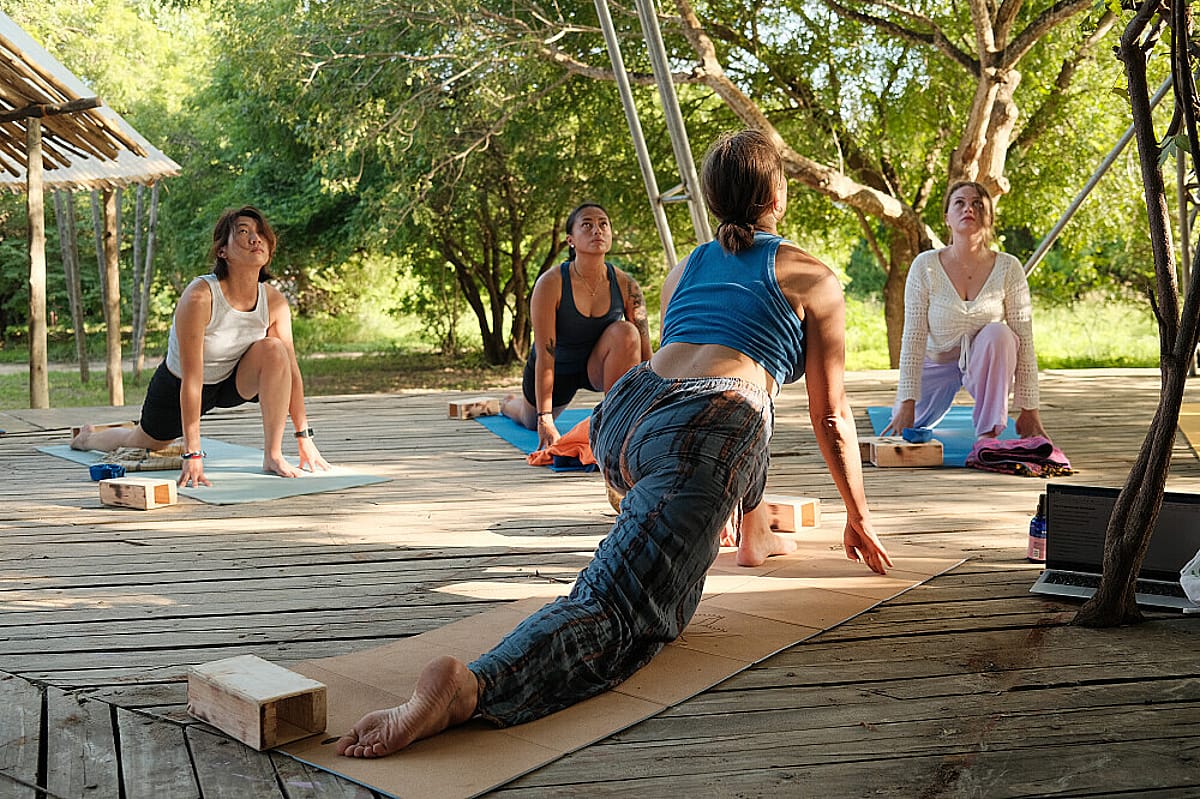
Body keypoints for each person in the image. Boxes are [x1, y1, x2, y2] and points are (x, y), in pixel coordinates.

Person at [335, 129, 891, 759]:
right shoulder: (812, 276)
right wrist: (860, 515)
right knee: (630, 610)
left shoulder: (684, 269)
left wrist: (577, 436)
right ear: (778, 197)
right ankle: (472, 687)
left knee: (746, 427)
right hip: (700, 432)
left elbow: (678, 377)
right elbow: (832, 414)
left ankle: (752, 533)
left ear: (712, 200)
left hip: (627, 413)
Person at [70, 206, 331, 487]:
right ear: (223, 251)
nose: (255, 239)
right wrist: (192, 453)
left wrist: (304, 437)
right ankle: (88, 438)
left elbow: (291, 374)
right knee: (143, 441)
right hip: (179, 385)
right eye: (243, 232)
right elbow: (193, 378)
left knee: (275, 350)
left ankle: (273, 455)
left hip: (231, 381)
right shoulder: (200, 296)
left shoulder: (274, 301)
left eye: (260, 234)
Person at [882, 181, 1049, 441]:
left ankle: (987, 435)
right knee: (906, 429)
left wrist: (1030, 410)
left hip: (983, 364)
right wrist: (906, 401)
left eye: (977, 204)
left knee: (1000, 335)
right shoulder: (925, 266)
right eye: (959, 202)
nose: (968, 208)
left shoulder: (1008, 268)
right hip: (935, 362)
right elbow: (913, 338)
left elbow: (1024, 342)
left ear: (990, 218)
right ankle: (914, 408)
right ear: (947, 217)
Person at [501, 203, 652, 450]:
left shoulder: (627, 285)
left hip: (596, 367)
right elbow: (545, 355)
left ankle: (615, 422)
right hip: (557, 370)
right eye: (587, 225)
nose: (597, 230)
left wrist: (654, 410)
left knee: (627, 333)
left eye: (603, 224)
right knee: (529, 421)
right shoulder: (550, 283)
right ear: (570, 240)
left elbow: (646, 356)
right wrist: (544, 418)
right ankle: (509, 404)